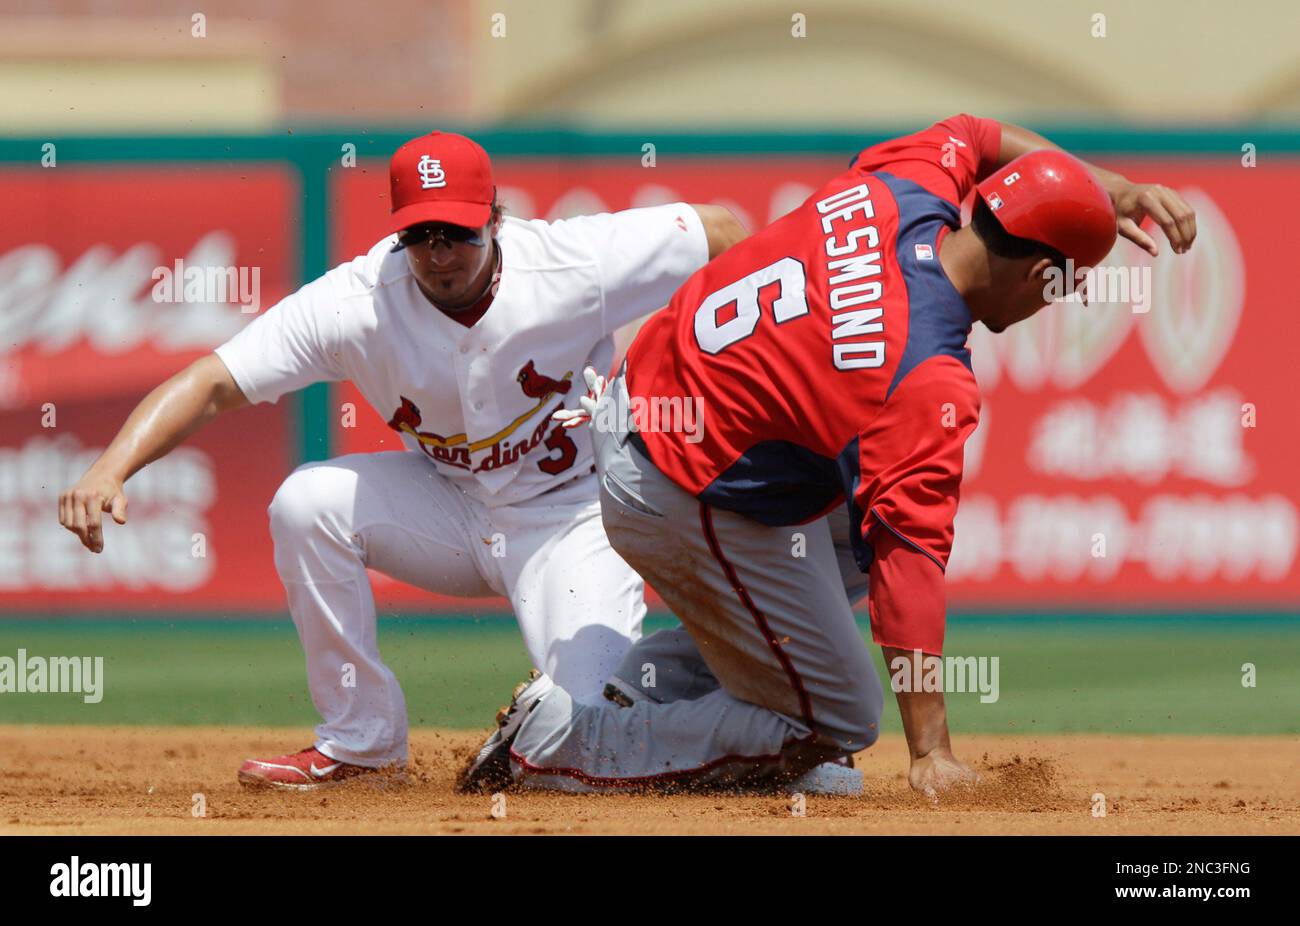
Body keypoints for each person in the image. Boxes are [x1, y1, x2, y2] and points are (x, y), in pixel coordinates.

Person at [458, 114, 1198, 796]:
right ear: (1044, 275)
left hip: (646, 411)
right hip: (675, 483)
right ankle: (564, 743)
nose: (1059, 298)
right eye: (1066, 283)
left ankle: (642, 687)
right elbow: (910, 564)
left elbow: (975, 135)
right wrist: (929, 750)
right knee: (837, 722)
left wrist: (1111, 189)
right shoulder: (923, 375)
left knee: (855, 543)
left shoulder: (906, 185)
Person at [57, 130, 746, 789]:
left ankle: (754, 741)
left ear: (496, 219)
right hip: (448, 507)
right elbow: (213, 383)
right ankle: (362, 745)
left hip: (571, 518)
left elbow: (724, 233)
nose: (439, 252)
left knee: (582, 740)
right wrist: (109, 467)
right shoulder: (357, 302)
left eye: (456, 231)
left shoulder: (575, 261)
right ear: (397, 232)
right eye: (419, 234)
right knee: (306, 504)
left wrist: (722, 359)